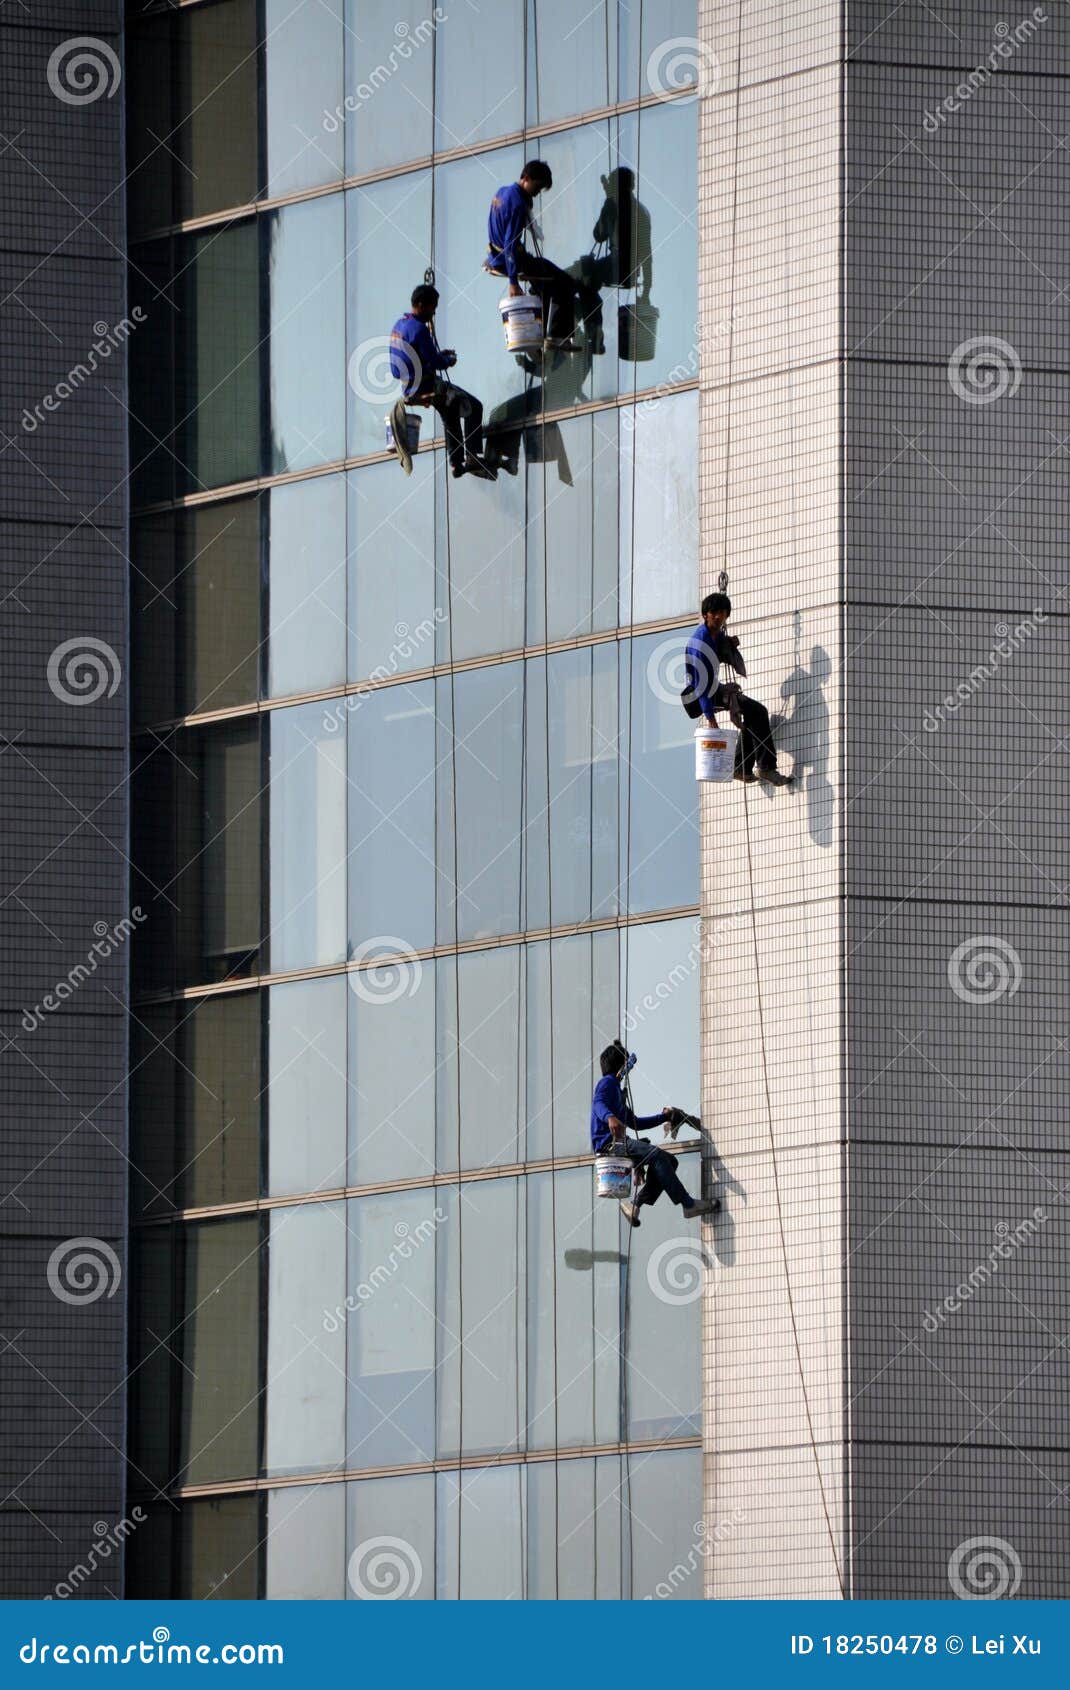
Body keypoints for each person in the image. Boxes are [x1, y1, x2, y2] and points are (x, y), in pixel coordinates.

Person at [590, 1040, 718, 1228]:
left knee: (670, 1161)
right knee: (656, 1156)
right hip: (609, 1146)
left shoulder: (617, 1093)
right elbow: (598, 1103)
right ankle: (688, 1204)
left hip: (617, 1144)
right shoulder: (607, 1083)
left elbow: (636, 1123)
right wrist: (610, 1117)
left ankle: (635, 1205)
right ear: (620, 1066)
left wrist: (664, 1117)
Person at [486, 159, 604, 353]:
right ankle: (558, 337)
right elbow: (510, 244)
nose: (537, 192)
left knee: (548, 282)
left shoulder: (501, 193)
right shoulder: (517, 204)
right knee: (565, 284)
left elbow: (495, 228)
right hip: (512, 259)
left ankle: (545, 332)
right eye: (537, 187)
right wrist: (513, 281)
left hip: (499, 256)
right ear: (526, 178)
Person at [684, 592, 792, 788]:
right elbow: (701, 685)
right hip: (702, 693)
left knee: (753, 713)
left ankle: (742, 766)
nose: (719, 617)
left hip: (713, 688)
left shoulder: (715, 635)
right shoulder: (701, 642)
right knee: (758, 712)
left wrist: (728, 644)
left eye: (723, 613)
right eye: (714, 613)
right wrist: (711, 718)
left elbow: (718, 653)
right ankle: (763, 766)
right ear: (706, 614)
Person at [388, 284, 495, 479]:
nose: (434, 312)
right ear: (421, 305)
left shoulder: (398, 326)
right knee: (473, 406)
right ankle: (472, 457)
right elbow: (436, 362)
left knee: (450, 412)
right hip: (427, 386)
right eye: (432, 307)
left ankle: (456, 463)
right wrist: (448, 360)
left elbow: (409, 361)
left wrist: (436, 358)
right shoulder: (419, 329)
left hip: (410, 388)